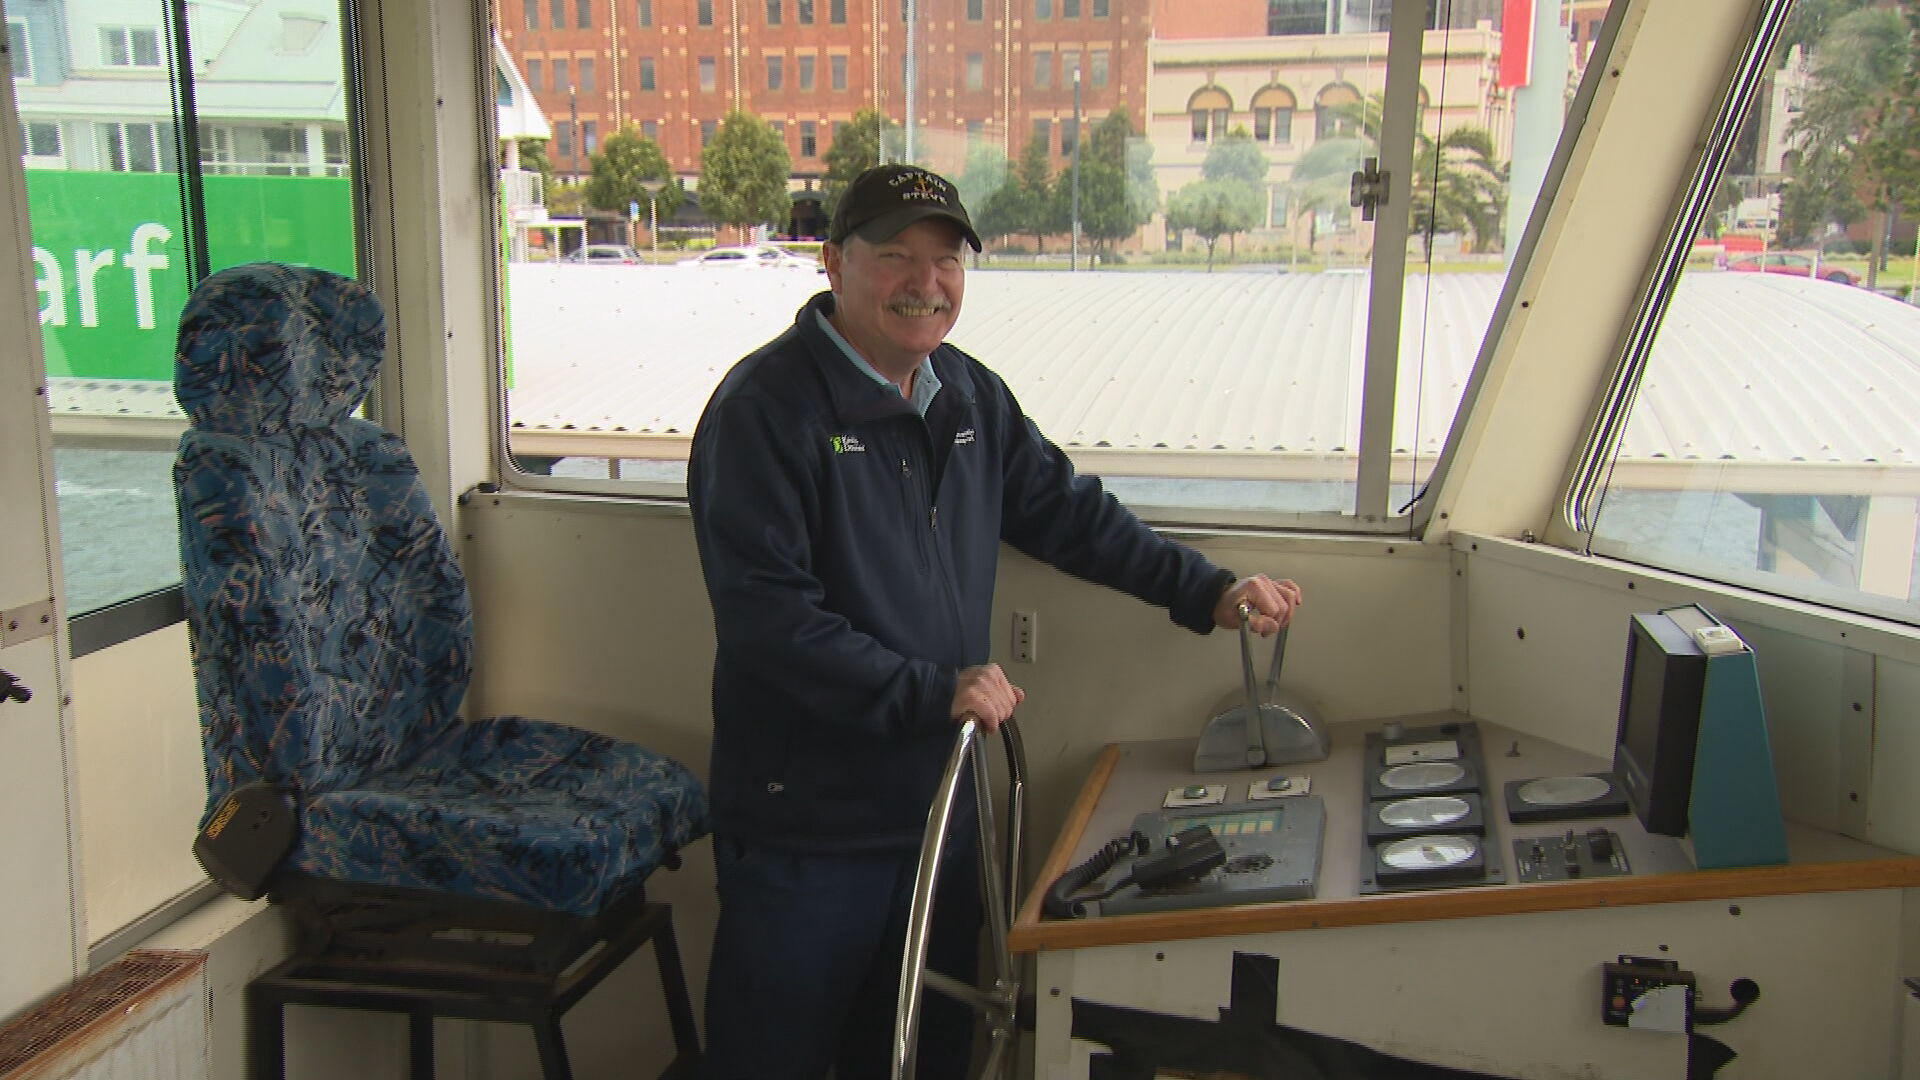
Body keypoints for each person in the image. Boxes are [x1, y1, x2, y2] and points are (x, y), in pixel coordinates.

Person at [687, 163, 1303, 1080]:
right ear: (831, 264)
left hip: (940, 810)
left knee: (929, 1054)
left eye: (945, 261)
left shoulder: (967, 395)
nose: (924, 283)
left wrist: (1206, 591)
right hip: (807, 831)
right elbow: (769, 624)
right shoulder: (763, 415)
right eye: (894, 256)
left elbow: (1069, 514)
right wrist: (931, 692)